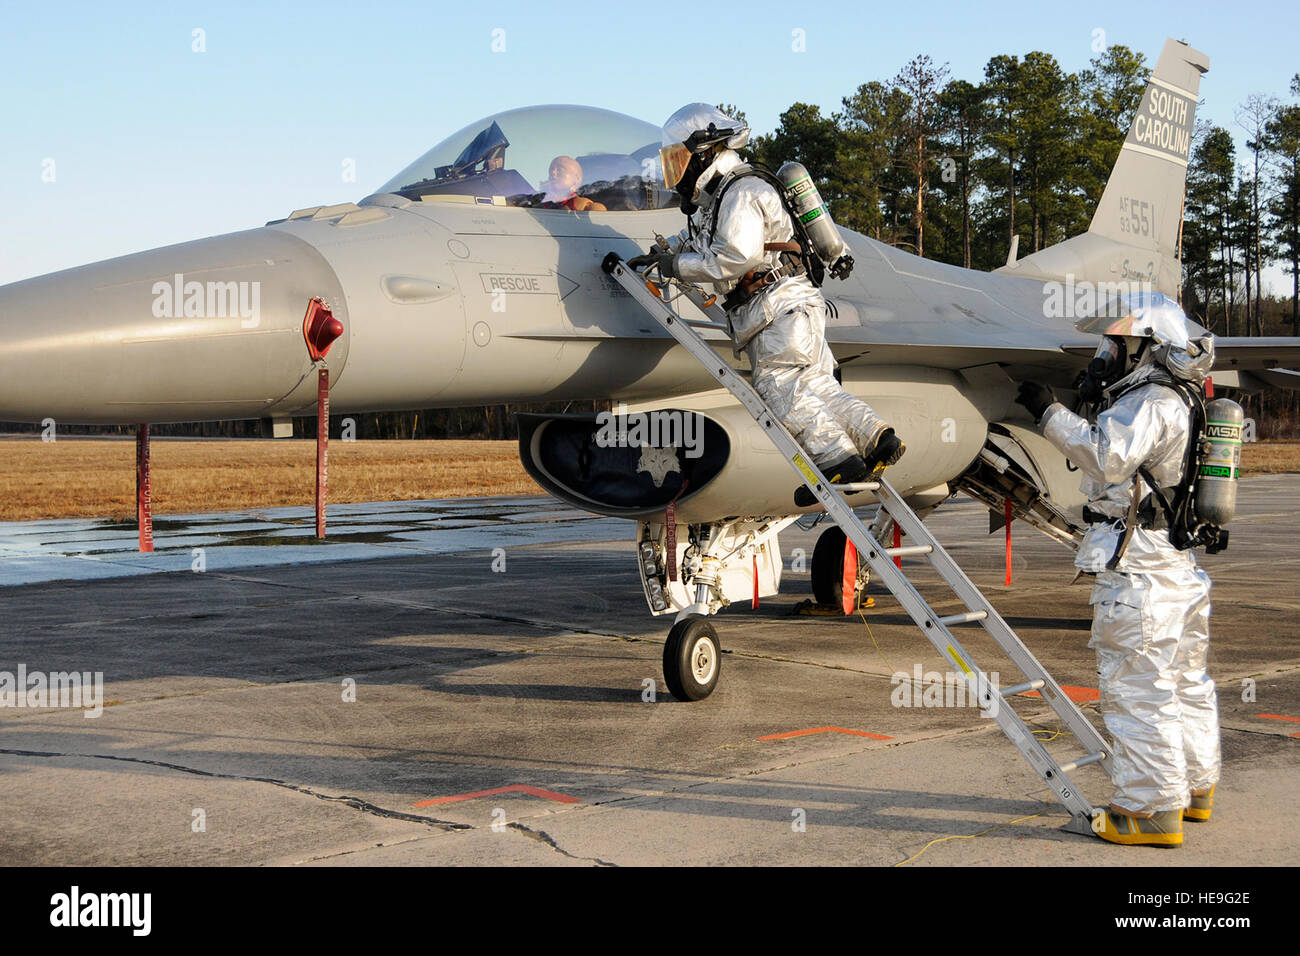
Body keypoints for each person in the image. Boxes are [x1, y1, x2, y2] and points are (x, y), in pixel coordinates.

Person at [1015, 292, 1219, 847]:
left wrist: (1047, 411)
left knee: (1137, 688)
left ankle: (1149, 811)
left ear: (1148, 348)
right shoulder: (1181, 397)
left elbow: (1107, 457)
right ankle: (1195, 789)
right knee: (1183, 683)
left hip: (1142, 570)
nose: (1108, 352)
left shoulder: (1150, 399)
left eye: (1118, 343)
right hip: (1175, 564)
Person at [628, 104, 902, 499]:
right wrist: (665, 253)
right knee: (817, 386)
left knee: (779, 386)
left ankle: (837, 460)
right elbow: (706, 243)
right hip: (793, 305)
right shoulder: (726, 195)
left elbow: (734, 256)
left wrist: (676, 266)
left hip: (776, 308)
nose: (675, 172)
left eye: (678, 160)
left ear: (704, 152)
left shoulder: (741, 191)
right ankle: (878, 440)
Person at [538, 155, 606, 212]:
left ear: (576, 179)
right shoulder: (537, 208)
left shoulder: (585, 207)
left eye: (560, 169)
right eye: (551, 170)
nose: (553, 173)